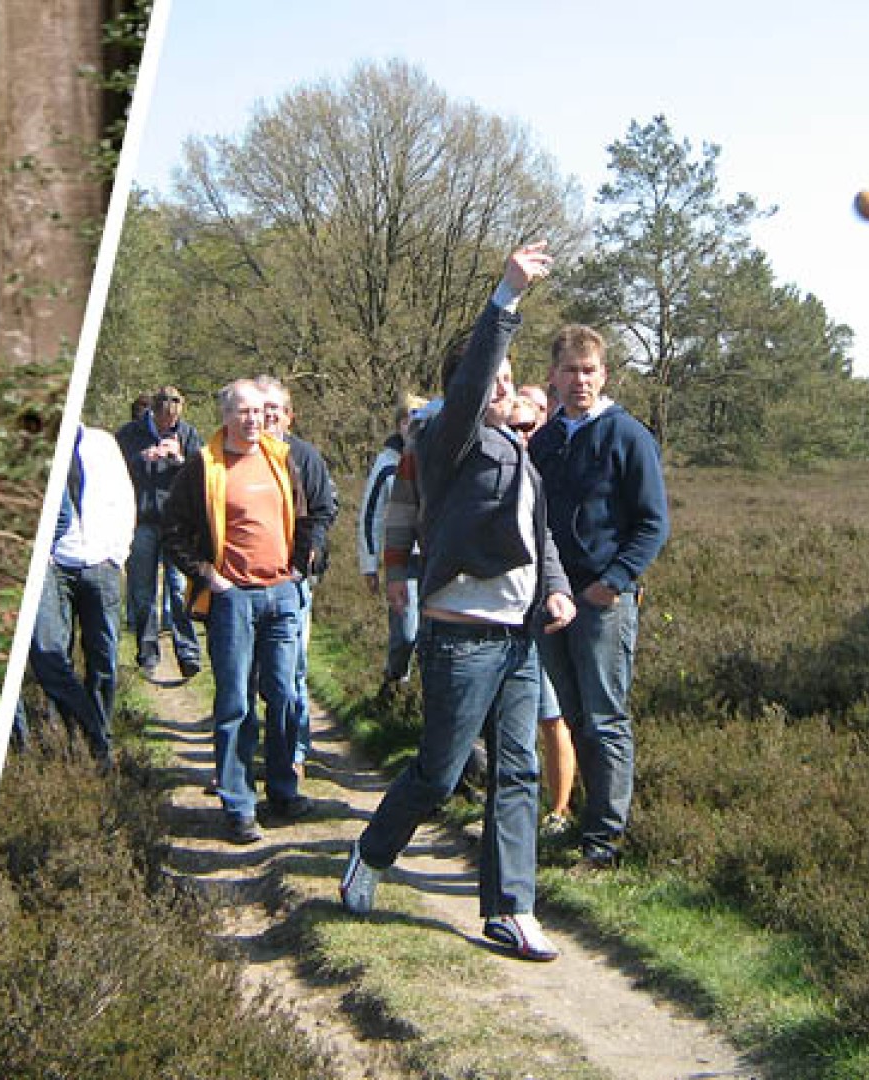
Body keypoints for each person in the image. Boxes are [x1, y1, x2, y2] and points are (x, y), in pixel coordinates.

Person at [340, 244, 576, 962]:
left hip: (518, 639)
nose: (507, 386)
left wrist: (558, 588)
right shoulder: (451, 438)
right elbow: (476, 374)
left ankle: (510, 910)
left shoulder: (516, 452)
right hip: (462, 641)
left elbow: (540, 538)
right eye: (495, 378)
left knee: (518, 771)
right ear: (468, 389)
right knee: (439, 775)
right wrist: (506, 295)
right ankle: (372, 854)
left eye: (511, 377)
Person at [529, 325, 671, 869]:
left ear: (604, 375)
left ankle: (603, 841)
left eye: (589, 371)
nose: (580, 380)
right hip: (552, 602)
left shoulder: (628, 436)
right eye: (570, 370)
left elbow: (652, 523)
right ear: (553, 376)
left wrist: (612, 583)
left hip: (604, 602)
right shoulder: (543, 441)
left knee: (605, 718)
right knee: (570, 714)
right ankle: (583, 821)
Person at [164, 380, 326, 843]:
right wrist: (208, 576)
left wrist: (303, 563)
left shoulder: (281, 459)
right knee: (235, 701)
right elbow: (173, 529)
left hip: (282, 593)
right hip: (233, 599)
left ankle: (282, 790)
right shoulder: (204, 467)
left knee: (285, 697)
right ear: (226, 416)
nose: (254, 420)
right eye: (244, 412)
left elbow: (312, 512)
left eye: (259, 411)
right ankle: (238, 804)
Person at [27, 423, 135, 764]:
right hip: (54, 564)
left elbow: (125, 499)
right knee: (50, 652)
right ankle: (86, 736)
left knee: (103, 655)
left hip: (100, 562)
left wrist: (117, 554)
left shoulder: (102, 444)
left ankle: (98, 742)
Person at [253, 376, 338, 779]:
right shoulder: (234, 456)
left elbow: (325, 509)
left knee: (293, 669)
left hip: (293, 579)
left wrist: (308, 554)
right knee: (248, 673)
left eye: (275, 410)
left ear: (288, 415)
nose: (268, 416)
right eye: (261, 408)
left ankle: (295, 752)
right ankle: (249, 754)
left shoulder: (305, 457)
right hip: (245, 582)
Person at [511, 386, 576, 835]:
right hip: (511, 609)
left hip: (553, 607)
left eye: (528, 427)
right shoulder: (500, 468)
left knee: (554, 715)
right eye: (513, 427)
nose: (521, 435)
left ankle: (560, 810)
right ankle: (514, 807)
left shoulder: (554, 466)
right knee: (513, 717)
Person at [115, 386, 205, 679]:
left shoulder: (190, 435)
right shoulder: (128, 435)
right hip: (140, 520)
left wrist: (180, 460)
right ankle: (148, 653)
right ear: (154, 412)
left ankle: (188, 653)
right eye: (165, 420)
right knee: (143, 591)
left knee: (178, 589)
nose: (170, 424)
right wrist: (143, 458)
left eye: (173, 421)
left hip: (177, 523)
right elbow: (113, 474)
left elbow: (204, 476)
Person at [358, 394, 427, 695]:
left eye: (418, 419)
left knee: (433, 637)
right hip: (404, 560)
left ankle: (424, 702)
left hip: (437, 560)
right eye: (405, 420)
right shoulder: (387, 463)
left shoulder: (439, 457)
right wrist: (369, 563)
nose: (411, 426)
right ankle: (394, 683)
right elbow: (370, 514)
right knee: (406, 632)